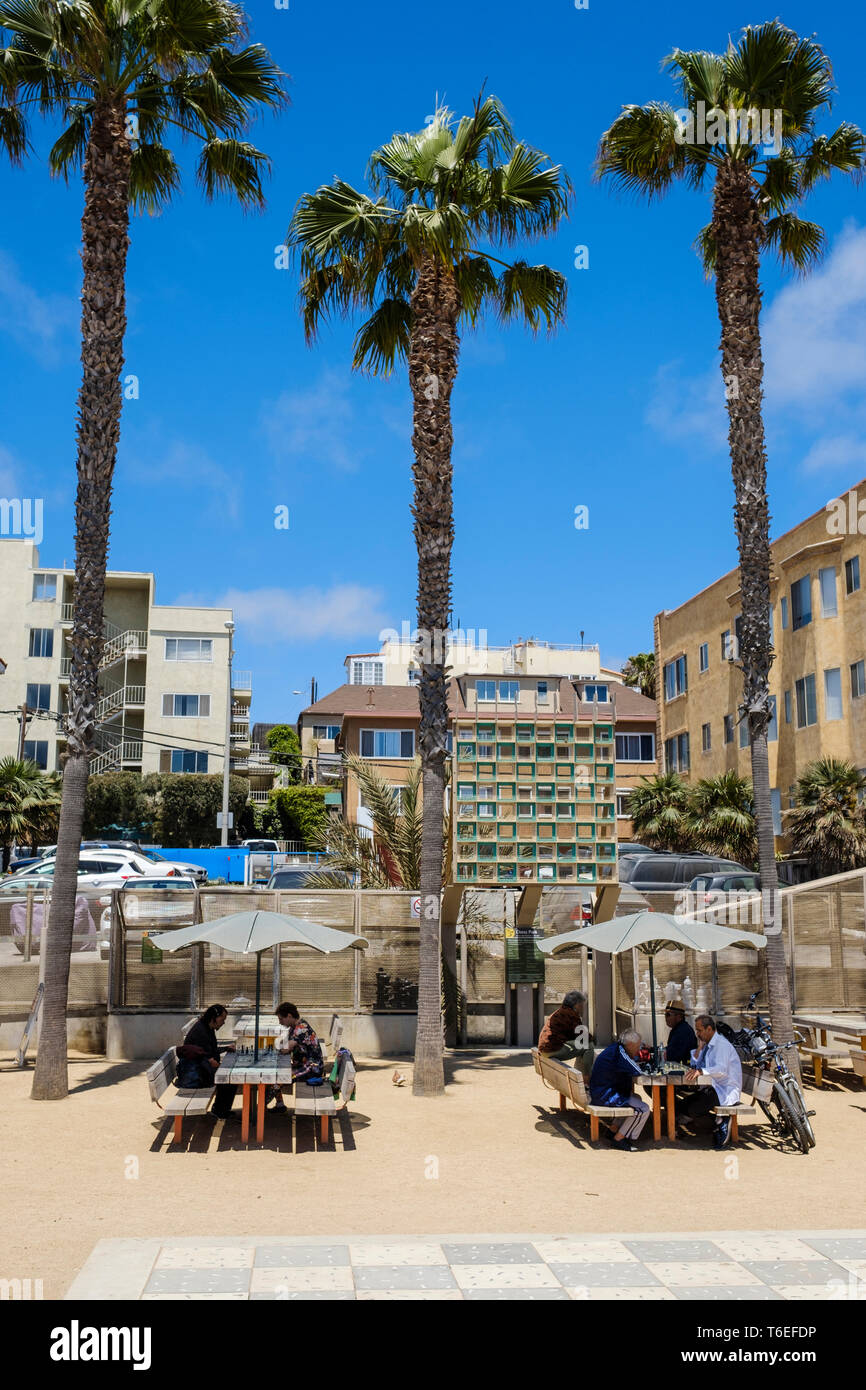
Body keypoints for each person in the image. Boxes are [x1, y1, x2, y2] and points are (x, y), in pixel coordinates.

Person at [679, 1014, 742, 1147]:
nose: (697, 1034)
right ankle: (716, 1121)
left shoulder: (721, 1045)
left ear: (709, 1029)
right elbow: (697, 1062)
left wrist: (701, 1072)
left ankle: (721, 1121)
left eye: (700, 1030)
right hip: (713, 1087)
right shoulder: (709, 1044)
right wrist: (700, 1046)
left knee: (693, 1109)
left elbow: (721, 1069)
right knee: (682, 1105)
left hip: (726, 1091)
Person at [176, 1004, 239, 1123]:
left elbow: (209, 1052)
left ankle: (221, 1109)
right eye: (222, 1019)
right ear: (214, 1017)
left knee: (229, 1077)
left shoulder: (206, 1027)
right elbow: (212, 1061)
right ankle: (220, 1111)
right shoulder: (202, 1032)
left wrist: (226, 1048)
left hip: (200, 1069)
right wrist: (221, 1066)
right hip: (196, 1075)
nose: (223, 1023)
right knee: (229, 1079)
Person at [589, 1028, 650, 1150]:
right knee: (643, 1109)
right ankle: (619, 1139)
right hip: (604, 1095)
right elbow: (638, 1071)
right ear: (630, 1045)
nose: (638, 1050)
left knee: (635, 1098)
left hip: (599, 1091)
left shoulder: (616, 1048)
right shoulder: (621, 1054)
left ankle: (613, 1131)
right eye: (638, 1046)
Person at [269, 1001, 325, 1109]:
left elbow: (285, 1048)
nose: (280, 1022)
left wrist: (276, 1046)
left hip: (311, 1069)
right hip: (303, 1065)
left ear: (289, 1016)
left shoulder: (300, 1029)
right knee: (274, 1074)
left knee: (276, 1080)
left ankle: (260, 1109)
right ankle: (279, 1105)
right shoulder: (296, 1026)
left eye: (281, 1019)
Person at [537, 990, 594, 1079]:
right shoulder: (571, 1014)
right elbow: (583, 1036)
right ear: (577, 1005)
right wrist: (592, 1037)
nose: (583, 1008)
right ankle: (587, 1076)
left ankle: (581, 1075)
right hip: (552, 1049)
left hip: (545, 1049)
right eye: (582, 1005)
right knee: (588, 1045)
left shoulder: (560, 1012)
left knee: (581, 1046)